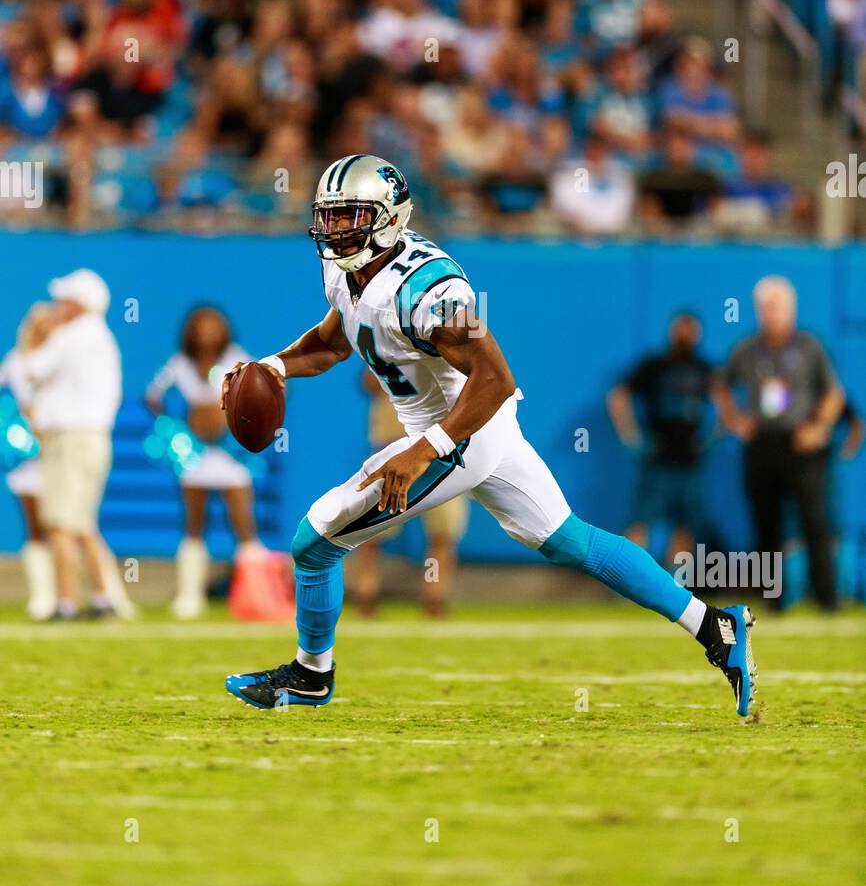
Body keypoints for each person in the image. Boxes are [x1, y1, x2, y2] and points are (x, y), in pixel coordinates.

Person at [223, 154, 757, 716]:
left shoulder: (429, 290)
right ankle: (715, 626)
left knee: (315, 541)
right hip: (470, 432)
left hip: (461, 431)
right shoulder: (349, 271)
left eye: (348, 216)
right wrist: (271, 368)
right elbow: (335, 340)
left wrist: (426, 449)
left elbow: (497, 379)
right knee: (569, 539)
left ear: (386, 218)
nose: (333, 231)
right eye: (328, 217)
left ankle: (311, 676)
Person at [715, 276, 845, 611]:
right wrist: (735, 420)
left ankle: (827, 600)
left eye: (776, 307)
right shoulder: (747, 349)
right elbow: (721, 385)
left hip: (801, 443)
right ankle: (773, 600)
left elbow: (834, 393)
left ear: (790, 309)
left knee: (815, 521)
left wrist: (819, 427)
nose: (770, 314)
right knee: (765, 522)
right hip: (762, 443)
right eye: (764, 308)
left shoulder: (808, 346)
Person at [20, 268, 134, 619]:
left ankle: (65, 602)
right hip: (94, 437)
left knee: (59, 522)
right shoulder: (103, 338)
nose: (57, 307)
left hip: (69, 438)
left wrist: (38, 334)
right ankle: (105, 598)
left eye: (63, 301)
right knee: (81, 522)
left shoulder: (71, 336)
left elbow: (32, 368)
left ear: (78, 304)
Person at [146, 306, 258, 620]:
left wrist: (236, 418)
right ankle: (189, 596)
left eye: (213, 326)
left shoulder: (237, 358)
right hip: (194, 454)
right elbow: (153, 396)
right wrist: (179, 424)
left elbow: (273, 388)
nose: (207, 332)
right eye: (200, 326)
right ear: (189, 331)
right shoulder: (179, 364)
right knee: (194, 524)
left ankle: (254, 595)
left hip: (231, 453)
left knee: (243, 523)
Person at [353, 370, 468, 617]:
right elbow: (368, 382)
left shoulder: (448, 354)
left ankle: (434, 598)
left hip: (439, 452)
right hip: (392, 448)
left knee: (441, 533)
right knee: (369, 533)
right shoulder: (385, 347)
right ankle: (366, 594)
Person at [607, 313, 715, 566]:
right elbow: (618, 396)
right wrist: (630, 435)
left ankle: (673, 588)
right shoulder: (654, 366)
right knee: (640, 521)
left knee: (686, 525)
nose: (686, 335)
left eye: (691, 330)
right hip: (657, 460)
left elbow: (725, 402)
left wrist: (712, 438)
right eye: (682, 329)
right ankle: (628, 583)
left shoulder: (704, 369)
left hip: (691, 462)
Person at [0, 303, 57, 620]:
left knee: (65, 522)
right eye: (39, 324)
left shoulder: (64, 358)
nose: (44, 329)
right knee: (35, 525)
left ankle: (69, 593)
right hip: (26, 453)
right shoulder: (16, 360)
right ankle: (42, 596)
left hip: (59, 448)